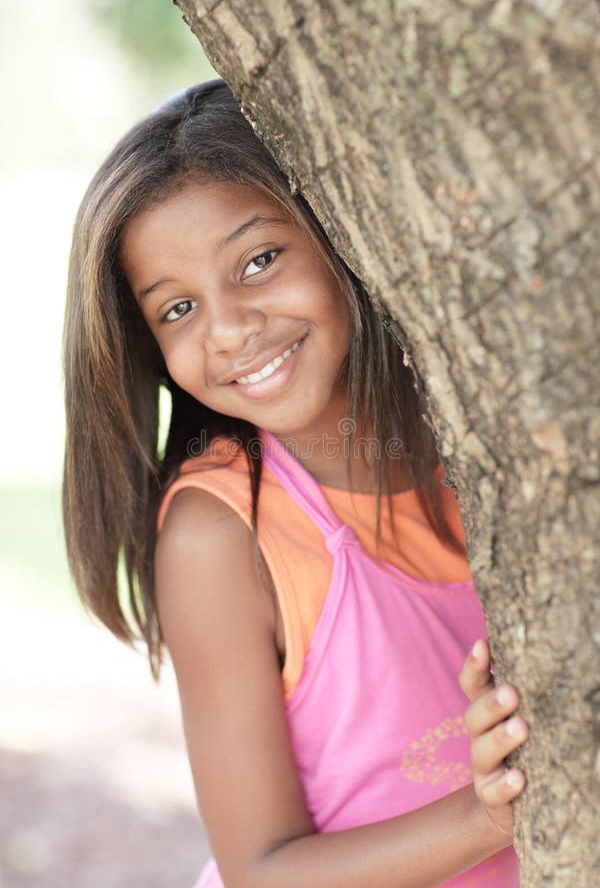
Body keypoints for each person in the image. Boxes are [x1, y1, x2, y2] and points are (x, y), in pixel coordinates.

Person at [63, 79, 528, 887]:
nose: (231, 329)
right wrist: (486, 815)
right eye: (176, 310)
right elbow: (261, 870)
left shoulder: (495, 432)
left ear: (340, 229)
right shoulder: (223, 537)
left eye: (259, 260)